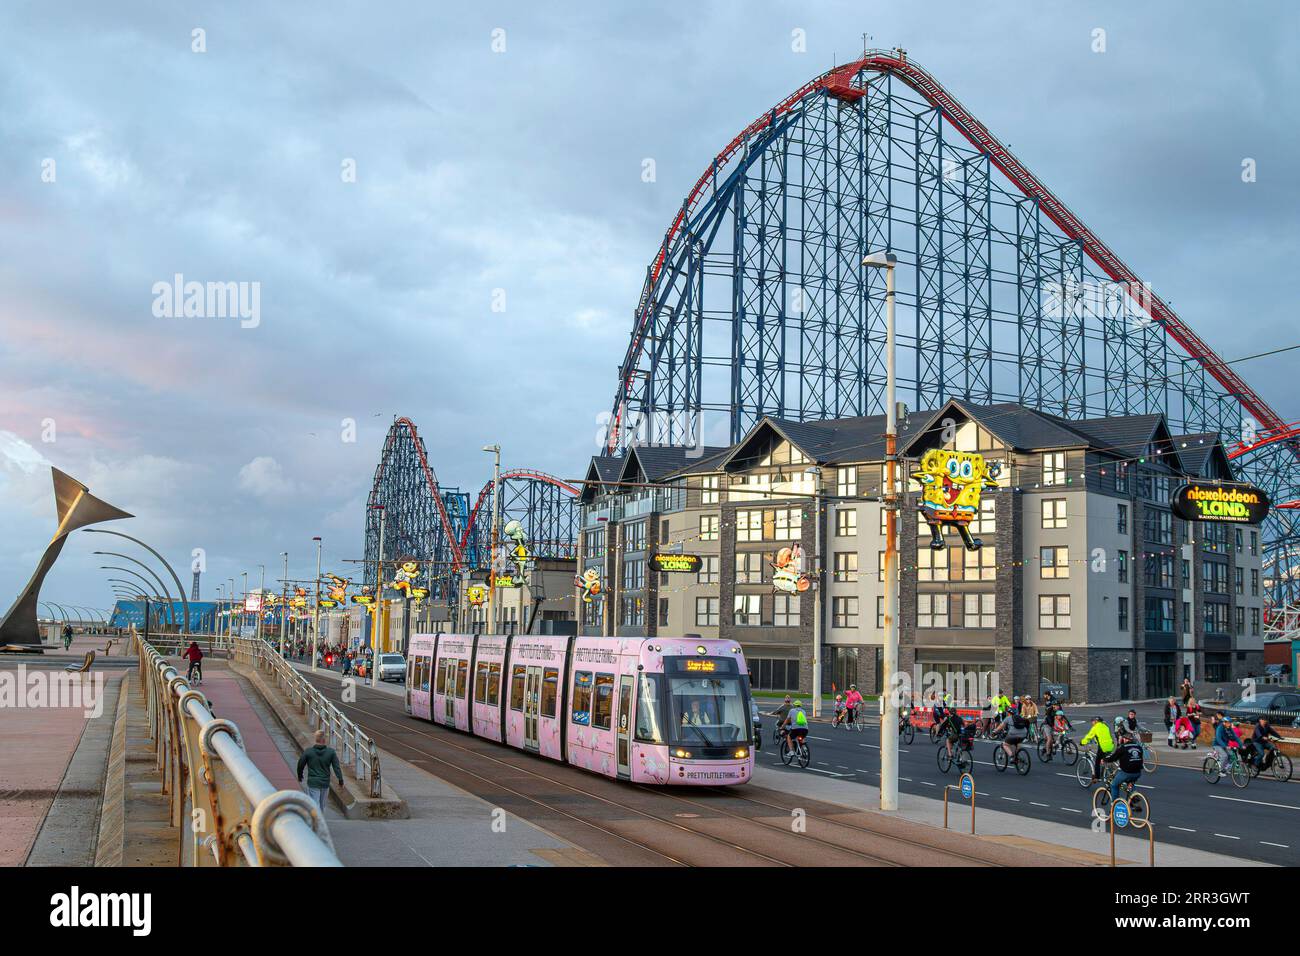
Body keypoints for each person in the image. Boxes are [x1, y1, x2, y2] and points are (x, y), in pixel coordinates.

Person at [296, 730, 344, 814]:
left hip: (313, 782)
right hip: (325, 783)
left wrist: (300, 775)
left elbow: (300, 764)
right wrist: (340, 780)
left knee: (314, 804)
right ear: (324, 740)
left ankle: (316, 823)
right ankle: (320, 822)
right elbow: (336, 767)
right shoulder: (331, 752)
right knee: (322, 805)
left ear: (316, 739)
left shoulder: (308, 751)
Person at [1110, 730, 1145, 801]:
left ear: (1125, 739)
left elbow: (1113, 758)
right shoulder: (1139, 747)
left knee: (1114, 785)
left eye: (1123, 738)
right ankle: (1134, 795)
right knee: (1130, 782)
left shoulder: (1122, 748)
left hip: (1127, 772)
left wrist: (1104, 760)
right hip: (1138, 772)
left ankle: (1114, 804)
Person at [1080, 716, 1117, 783]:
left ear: (1096, 721)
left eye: (1093, 721)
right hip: (1111, 745)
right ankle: (1108, 769)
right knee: (1105, 758)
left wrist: (1082, 742)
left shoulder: (1095, 727)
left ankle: (1097, 777)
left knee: (1097, 761)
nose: (1092, 723)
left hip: (1103, 747)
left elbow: (1089, 736)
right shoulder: (1105, 726)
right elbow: (1103, 736)